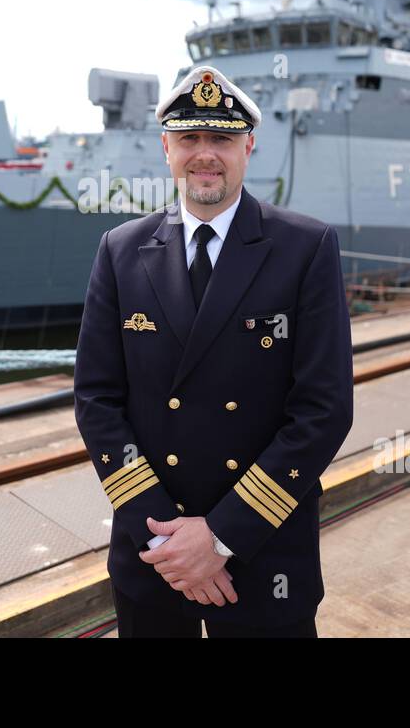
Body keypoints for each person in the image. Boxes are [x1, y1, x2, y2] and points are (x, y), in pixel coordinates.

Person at [73, 64, 354, 638]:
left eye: (222, 139)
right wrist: (168, 540)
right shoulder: (120, 252)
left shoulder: (304, 248)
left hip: (263, 552)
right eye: (190, 139)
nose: (206, 155)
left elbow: (323, 411)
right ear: (167, 149)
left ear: (248, 145)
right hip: (155, 556)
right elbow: (97, 401)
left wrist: (221, 537)